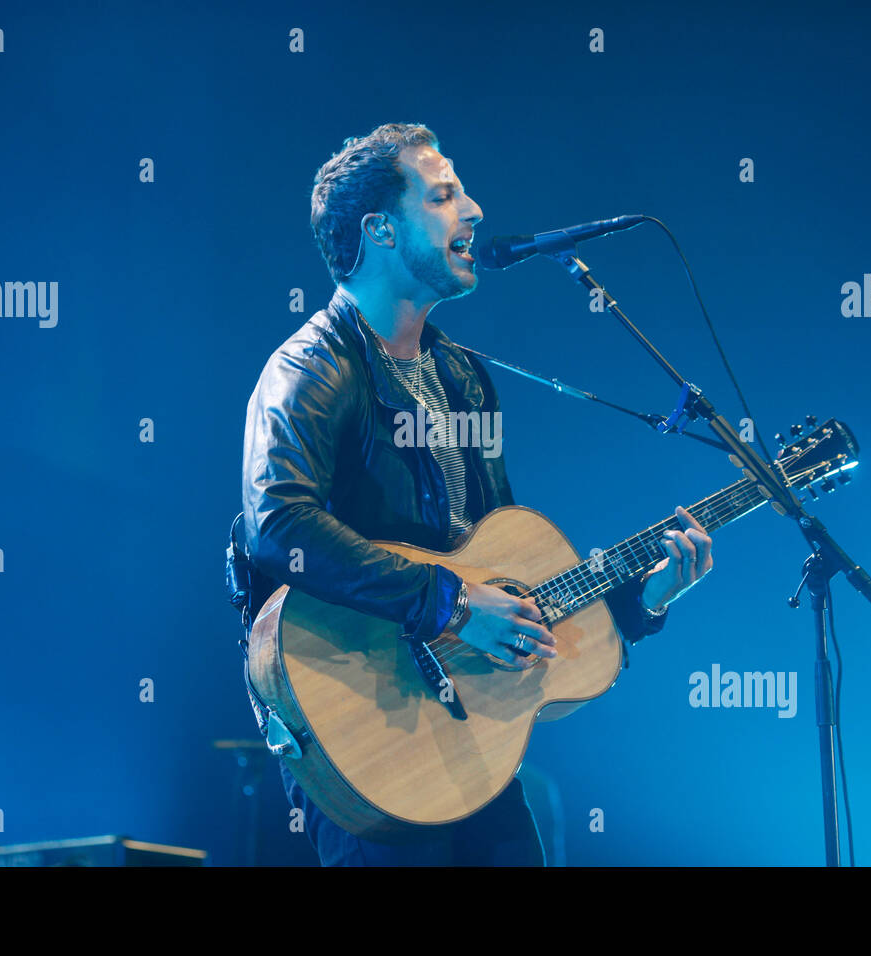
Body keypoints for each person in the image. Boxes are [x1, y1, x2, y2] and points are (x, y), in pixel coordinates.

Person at [241, 122, 714, 865]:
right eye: (444, 194)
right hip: (366, 736)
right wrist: (453, 605)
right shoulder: (310, 367)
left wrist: (637, 602)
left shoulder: (464, 381)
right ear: (382, 230)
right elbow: (278, 525)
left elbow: (509, 575)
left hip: (468, 739)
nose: (476, 209)